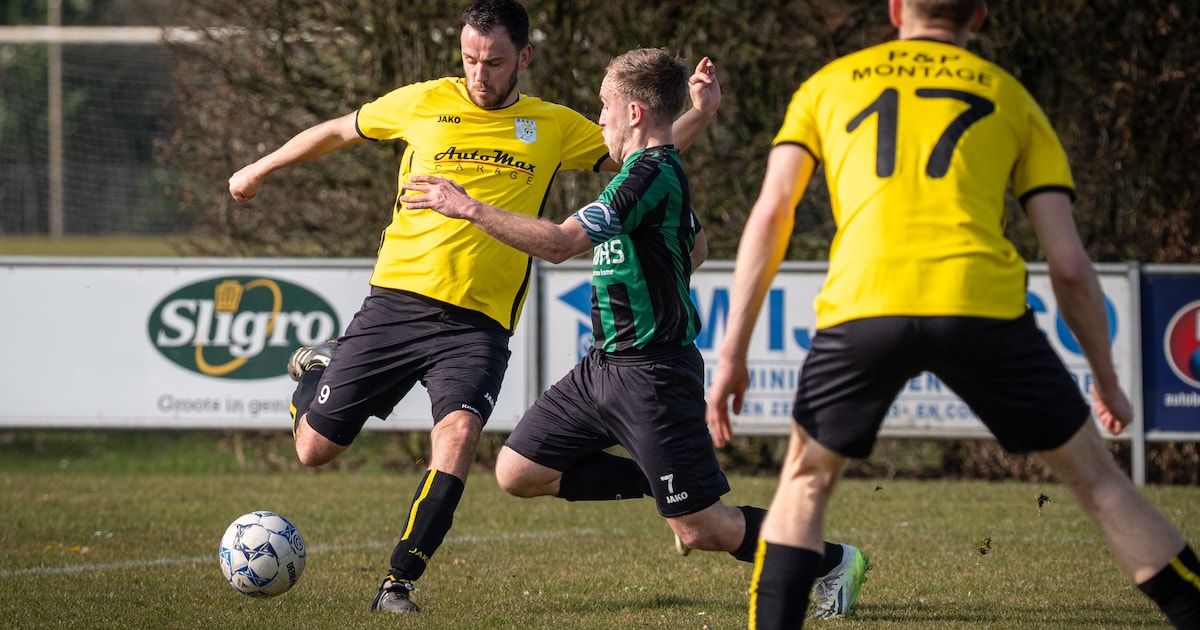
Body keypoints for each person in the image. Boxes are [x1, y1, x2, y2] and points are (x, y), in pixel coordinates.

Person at [706, 0, 1200, 628]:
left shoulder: (828, 84)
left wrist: (731, 355)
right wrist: (1106, 379)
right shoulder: (1010, 96)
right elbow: (1070, 267)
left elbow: (772, 216)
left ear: (895, 10)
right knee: (1103, 485)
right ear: (981, 16)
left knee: (804, 484)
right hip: (982, 305)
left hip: (866, 304)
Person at [227, 0, 724, 614]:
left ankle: (397, 584)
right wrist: (261, 167)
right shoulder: (420, 101)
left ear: (524, 58)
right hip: (397, 303)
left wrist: (696, 114)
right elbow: (337, 129)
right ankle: (316, 371)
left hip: (478, 324)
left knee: (459, 437)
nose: (479, 74)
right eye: (469, 59)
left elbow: (643, 151)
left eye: (493, 62)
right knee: (315, 451)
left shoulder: (554, 125)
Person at [399, 47, 871, 620]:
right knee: (518, 470)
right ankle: (661, 483)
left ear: (634, 113)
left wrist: (469, 207)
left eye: (603, 106)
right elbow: (695, 248)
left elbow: (561, 245)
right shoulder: (647, 173)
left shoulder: (649, 173)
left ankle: (830, 559)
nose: (597, 119)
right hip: (602, 367)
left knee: (702, 528)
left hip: (653, 375)